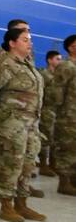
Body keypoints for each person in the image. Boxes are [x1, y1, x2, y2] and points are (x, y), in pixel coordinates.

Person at [0, 28, 46, 222]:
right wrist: (1, 117)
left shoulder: (28, 65)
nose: (30, 43)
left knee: (27, 164)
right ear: (12, 43)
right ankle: (6, 205)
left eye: (30, 40)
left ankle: (22, 203)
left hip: (31, 124)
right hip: (11, 124)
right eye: (25, 40)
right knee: (11, 164)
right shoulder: (5, 64)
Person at [49, 34, 76, 196]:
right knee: (67, 148)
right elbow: (56, 92)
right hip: (69, 116)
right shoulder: (66, 66)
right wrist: (60, 110)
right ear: (71, 47)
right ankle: (64, 182)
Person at [39, 49, 62, 177]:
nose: (60, 61)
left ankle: (53, 164)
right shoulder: (45, 75)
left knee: (55, 139)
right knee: (45, 138)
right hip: (46, 110)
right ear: (49, 60)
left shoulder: (58, 76)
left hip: (56, 110)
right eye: (57, 59)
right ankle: (43, 165)